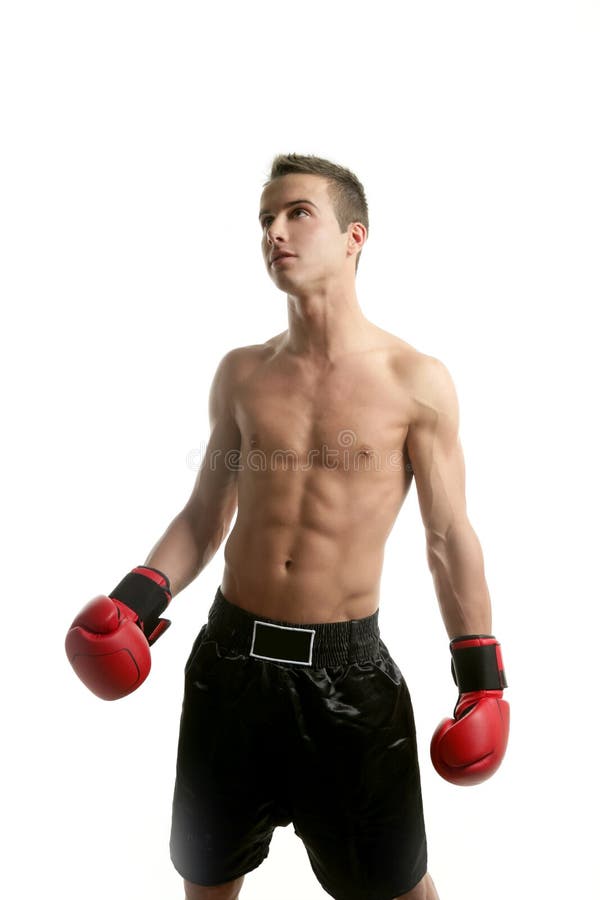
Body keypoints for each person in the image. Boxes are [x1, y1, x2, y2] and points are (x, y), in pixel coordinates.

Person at [66, 154, 509, 900]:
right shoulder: (242, 373)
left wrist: (484, 681)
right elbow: (205, 516)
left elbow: (447, 536)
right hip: (229, 669)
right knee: (208, 880)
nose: (275, 232)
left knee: (396, 888)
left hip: (350, 681)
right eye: (265, 219)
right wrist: (135, 603)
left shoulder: (415, 381)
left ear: (354, 237)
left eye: (297, 213)